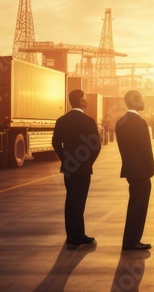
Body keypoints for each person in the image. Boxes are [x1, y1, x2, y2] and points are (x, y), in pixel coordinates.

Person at [51, 89, 101, 247]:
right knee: (79, 201)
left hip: (69, 167)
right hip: (83, 168)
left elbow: (55, 143)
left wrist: (65, 158)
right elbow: (96, 145)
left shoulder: (61, 120)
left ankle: (71, 234)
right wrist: (88, 162)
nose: (87, 100)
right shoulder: (89, 121)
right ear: (81, 101)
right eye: (85, 98)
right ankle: (78, 235)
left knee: (71, 199)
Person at [115, 90, 154, 251]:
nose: (144, 102)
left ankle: (130, 239)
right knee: (139, 207)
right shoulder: (140, 123)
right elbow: (146, 149)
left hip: (130, 169)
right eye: (141, 99)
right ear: (136, 101)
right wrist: (151, 168)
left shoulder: (120, 122)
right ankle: (132, 241)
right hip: (141, 171)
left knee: (134, 205)